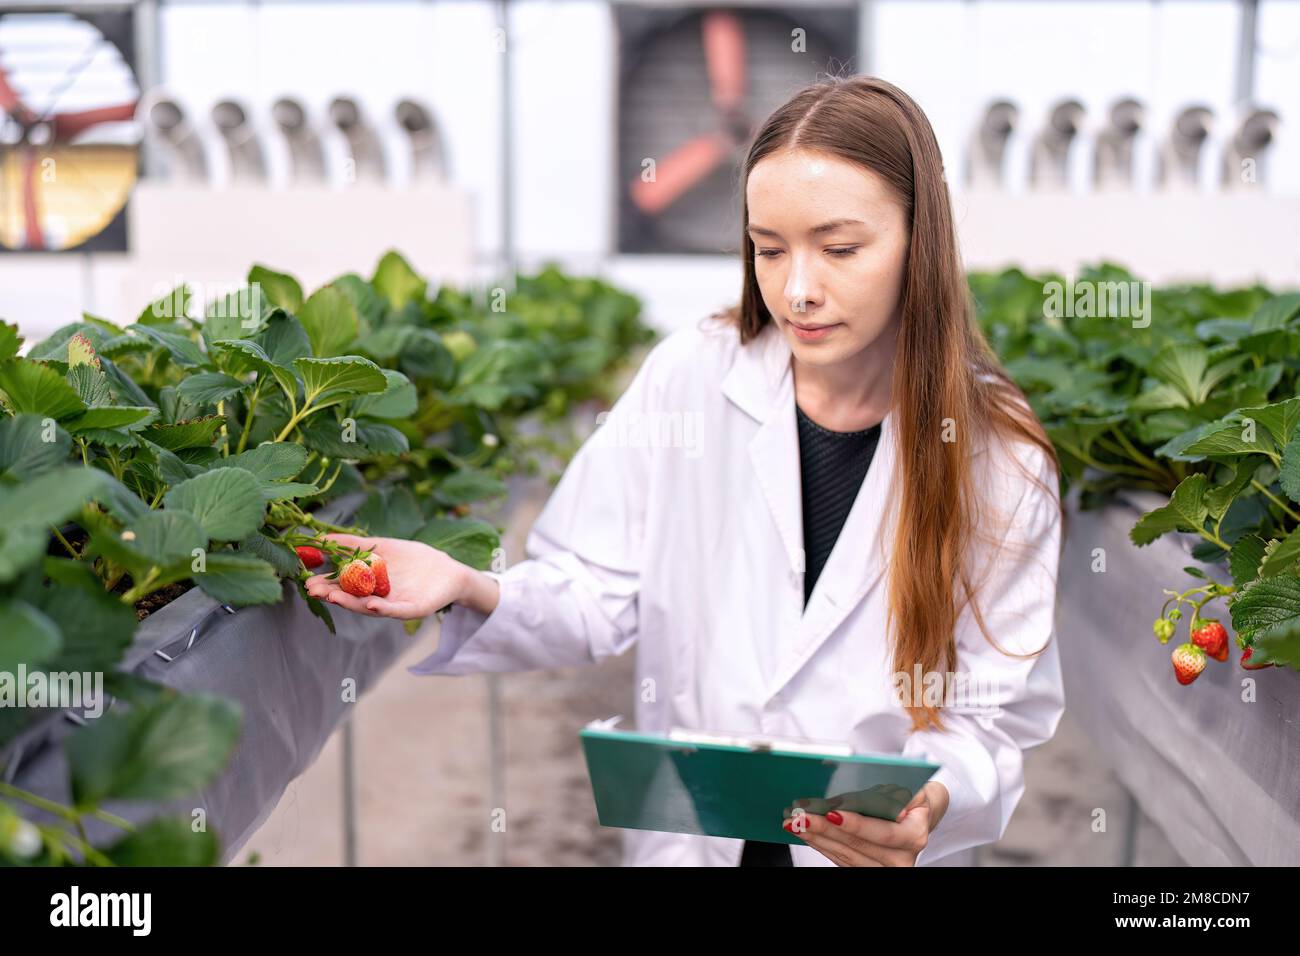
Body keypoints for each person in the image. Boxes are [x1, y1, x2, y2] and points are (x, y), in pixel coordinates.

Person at [307, 74, 1066, 867]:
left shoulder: (999, 456)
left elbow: (994, 716)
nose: (798, 290)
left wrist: (936, 798)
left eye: (840, 249)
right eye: (769, 249)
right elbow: (595, 589)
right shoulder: (692, 379)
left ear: (921, 239)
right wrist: (470, 583)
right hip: (696, 842)